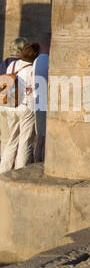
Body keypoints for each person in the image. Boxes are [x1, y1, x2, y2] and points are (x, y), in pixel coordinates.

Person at [0, 38, 39, 172]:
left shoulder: (13, 65)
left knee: (11, 140)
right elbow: (34, 91)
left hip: (10, 106)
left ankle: (3, 171)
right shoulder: (32, 68)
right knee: (25, 142)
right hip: (25, 107)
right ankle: (20, 172)